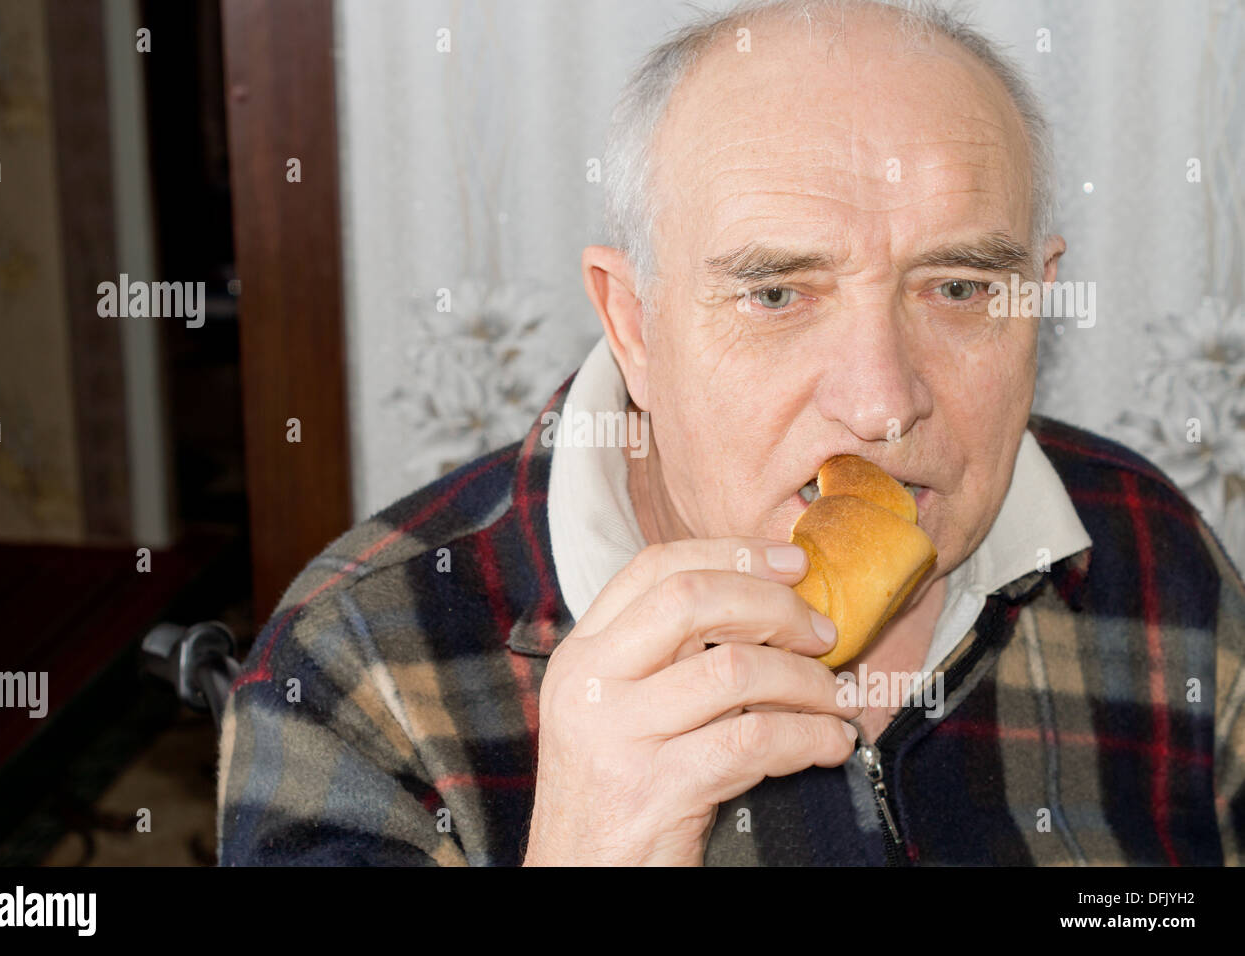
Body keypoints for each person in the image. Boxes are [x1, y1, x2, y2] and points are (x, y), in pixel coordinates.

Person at [216, 0, 1245, 866]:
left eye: (960, 285)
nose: (881, 400)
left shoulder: (1149, 547)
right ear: (634, 324)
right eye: (775, 292)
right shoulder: (355, 669)